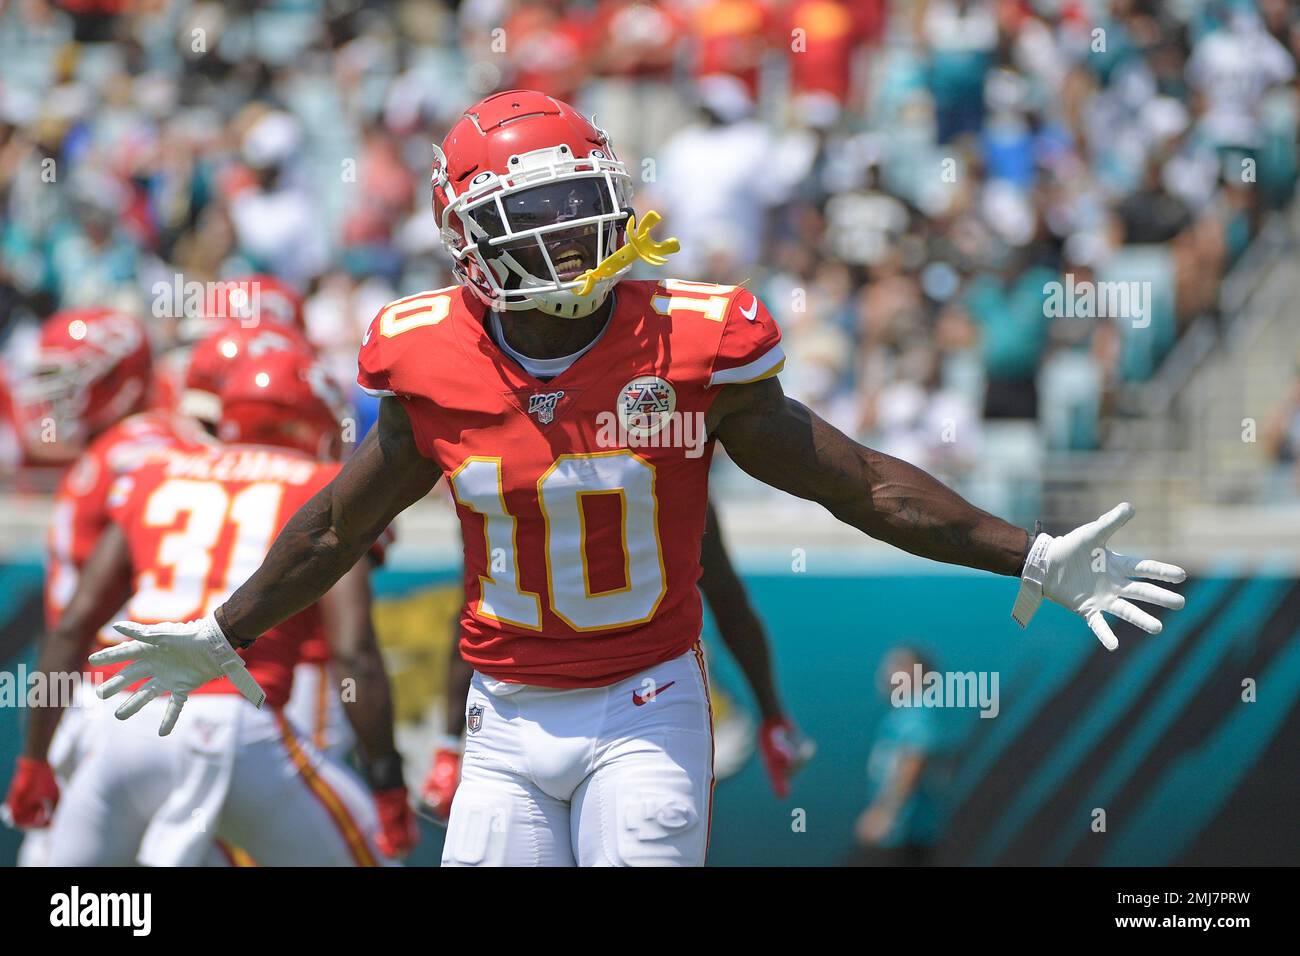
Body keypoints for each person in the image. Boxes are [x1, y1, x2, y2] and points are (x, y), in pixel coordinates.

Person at [98, 91, 1188, 867]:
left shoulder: (694, 337)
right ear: (465, 238)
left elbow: (857, 483)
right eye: (531, 215)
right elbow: (335, 527)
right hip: (504, 715)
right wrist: (226, 631)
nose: (568, 233)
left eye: (580, 198)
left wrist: (1029, 552)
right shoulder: (425, 355)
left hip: (644, 705)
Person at [9, 346, 415, 865]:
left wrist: (33, 759)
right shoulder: (320, 489)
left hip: (123, 722)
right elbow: (354, 652)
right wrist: (387, 782)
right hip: (235, 728)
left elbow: (72, 628)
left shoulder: (157, 472)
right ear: (311, 420)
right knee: (377, 858)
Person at [421, 499, 812, 822]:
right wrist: (772, 714)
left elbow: (729, 604)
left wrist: (448, 746)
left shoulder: (503, 481)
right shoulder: (663, 470)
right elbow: (731, 605)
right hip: (609, 713)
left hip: (617, 713)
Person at [3, 307, 207, 866]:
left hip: (112, 699)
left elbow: (76, 620)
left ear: (116, 378)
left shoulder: (134, 453)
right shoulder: (151, 442)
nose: (47, 400)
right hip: (154, 699)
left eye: (62, 382)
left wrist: (35, 755)